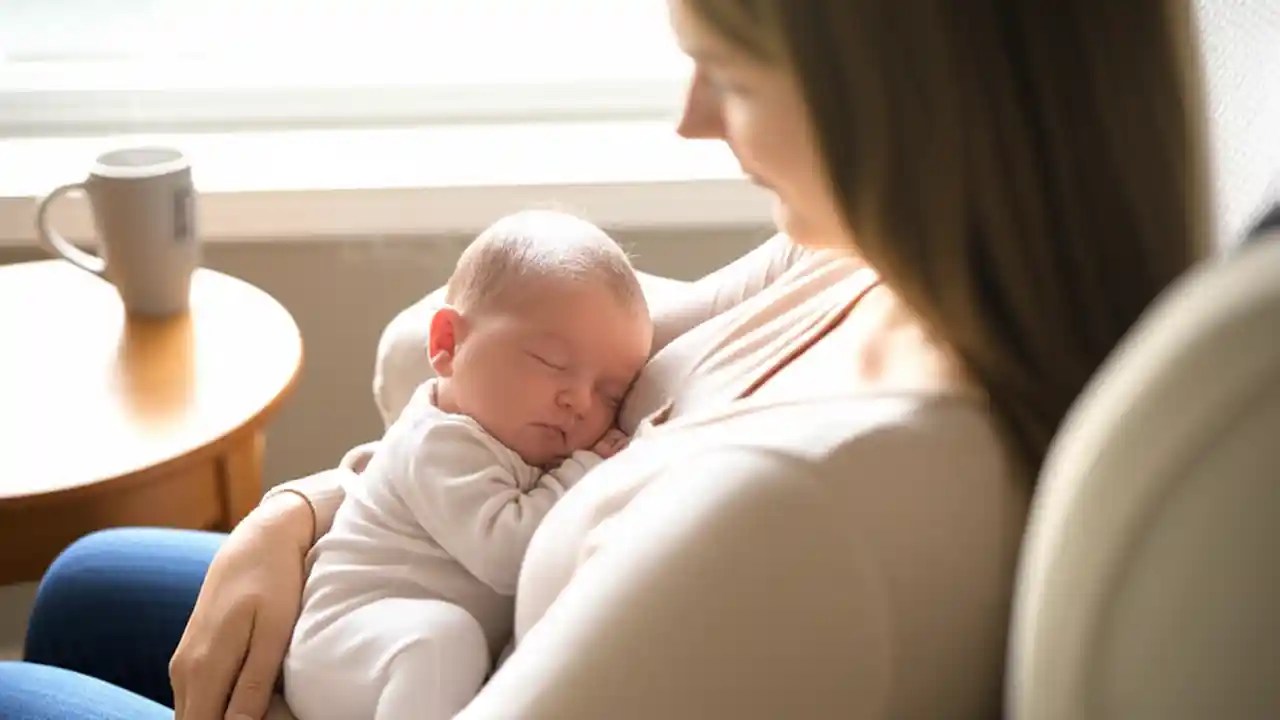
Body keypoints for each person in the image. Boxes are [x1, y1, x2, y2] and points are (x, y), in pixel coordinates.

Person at [0, 1, 1209, 718]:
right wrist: (307, 509)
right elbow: (435, 349)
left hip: (457, 658)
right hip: (452, 611)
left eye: (729, 74)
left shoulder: (812, 505)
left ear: (904, 102)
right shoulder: (844, 264)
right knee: (91, 581)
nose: (689, 118)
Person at [283, 210, 650, 720]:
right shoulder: (440, 442)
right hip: (346, 646)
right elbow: (507, 557)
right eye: (551, 361)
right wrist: (583, 471)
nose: (580, 401)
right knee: (443, 640)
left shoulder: (522, 445)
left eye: (610, 393)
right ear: (447, 345)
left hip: (397, 658)